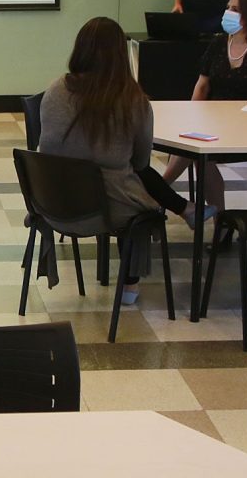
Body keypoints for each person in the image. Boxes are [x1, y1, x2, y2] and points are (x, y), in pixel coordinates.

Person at [37, 17, 187, 307]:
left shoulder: (54, 90)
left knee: (120, 181)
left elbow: (46, 148)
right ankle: (129, 286)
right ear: (121, 55)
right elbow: (141, 160)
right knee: (139, 201)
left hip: (53, 204)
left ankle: (186, 209)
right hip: (107, 207)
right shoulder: (132, 100)